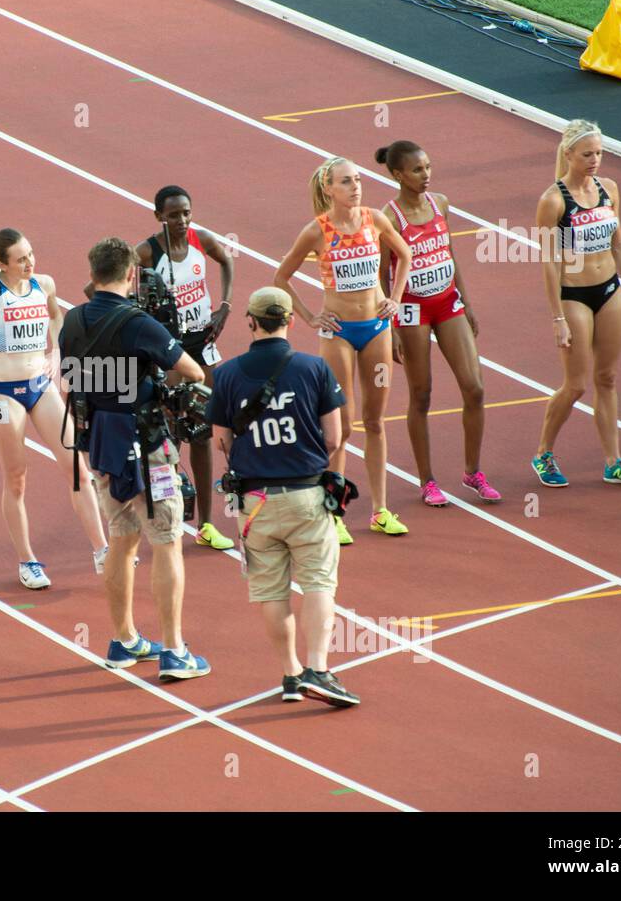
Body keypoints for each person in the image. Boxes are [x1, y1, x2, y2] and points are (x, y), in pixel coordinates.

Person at [59, 237, 210, 680]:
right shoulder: (140, 323)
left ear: (92, 274)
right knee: (166, 542)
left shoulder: (71, 322)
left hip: (101, 447)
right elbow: (194, 371)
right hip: (147, 447)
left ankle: (124, 640)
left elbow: (73, 380)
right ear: (130, 275)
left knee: (121, 541)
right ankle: (174, 649)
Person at [0, 161, 108, 589]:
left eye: (30, 255)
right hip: (5, 393)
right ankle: (27, 560)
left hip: (41, 388)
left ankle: (102, 549)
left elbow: (59, 320)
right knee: (17, 476)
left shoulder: (44, 284)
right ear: (2, 265)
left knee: (76, 467)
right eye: (20, 259)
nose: (29, 263)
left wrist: (57, 356)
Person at [208, 288, 358, 706]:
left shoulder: (226, 375)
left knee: (271, 591)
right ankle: (318, 668)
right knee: (318, 583)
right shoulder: (315, 368)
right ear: (291, 321)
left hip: (255, 503)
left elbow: (220, 440)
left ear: (251, 322)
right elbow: (336, 435)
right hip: (308, 494)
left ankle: (291, 674)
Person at [274, 157, 413, 545]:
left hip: (377, 329)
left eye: (358, 180)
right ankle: (333, 512)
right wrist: (310, 316)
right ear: (328, 189)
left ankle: (381, 511)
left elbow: (405, 254)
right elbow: (281, 277)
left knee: (377, 421)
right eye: (346, 182)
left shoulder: (375, 219)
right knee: (343, 426)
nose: (356, 187)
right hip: (338, 334)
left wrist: (396, 298)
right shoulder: (316, 231)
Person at [377, 141, 501, 507]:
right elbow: (383, 275)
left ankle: (473, 472)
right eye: (417, 170)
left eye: (428, 167)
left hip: (448, 302)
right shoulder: (390, 217)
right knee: (422, 394)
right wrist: (392, 325)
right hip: (412, 310)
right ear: (398, 174)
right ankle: (427, 480)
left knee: (475, 388)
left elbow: (450, 252)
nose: (426, 175)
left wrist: (467, 300)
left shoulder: (440, 204)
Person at [533, 120, 621, 487]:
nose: (595, 160)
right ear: (568, 154)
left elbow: (618, 243)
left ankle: (613, 461)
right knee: (576, 385)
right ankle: (543, 454)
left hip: (608, 290)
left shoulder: (609, 189)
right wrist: (557, 317)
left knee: (608, 377)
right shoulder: (553, 201)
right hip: (574, 296)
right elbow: (550, 261)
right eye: (588, 154)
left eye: (599, 153)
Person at [134, 186, 235, 550]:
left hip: (202, 343)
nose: (181, 220)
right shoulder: (147, 252)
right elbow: (102, 284)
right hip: (170, 348)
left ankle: (206, 524)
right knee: (171, 433)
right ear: (159, 216)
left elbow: (227, 261)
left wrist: (223, 305)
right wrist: (142, 316)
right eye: (174, 215)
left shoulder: (200, 239)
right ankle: (168, 516)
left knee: (203, 430)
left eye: (186, 213)